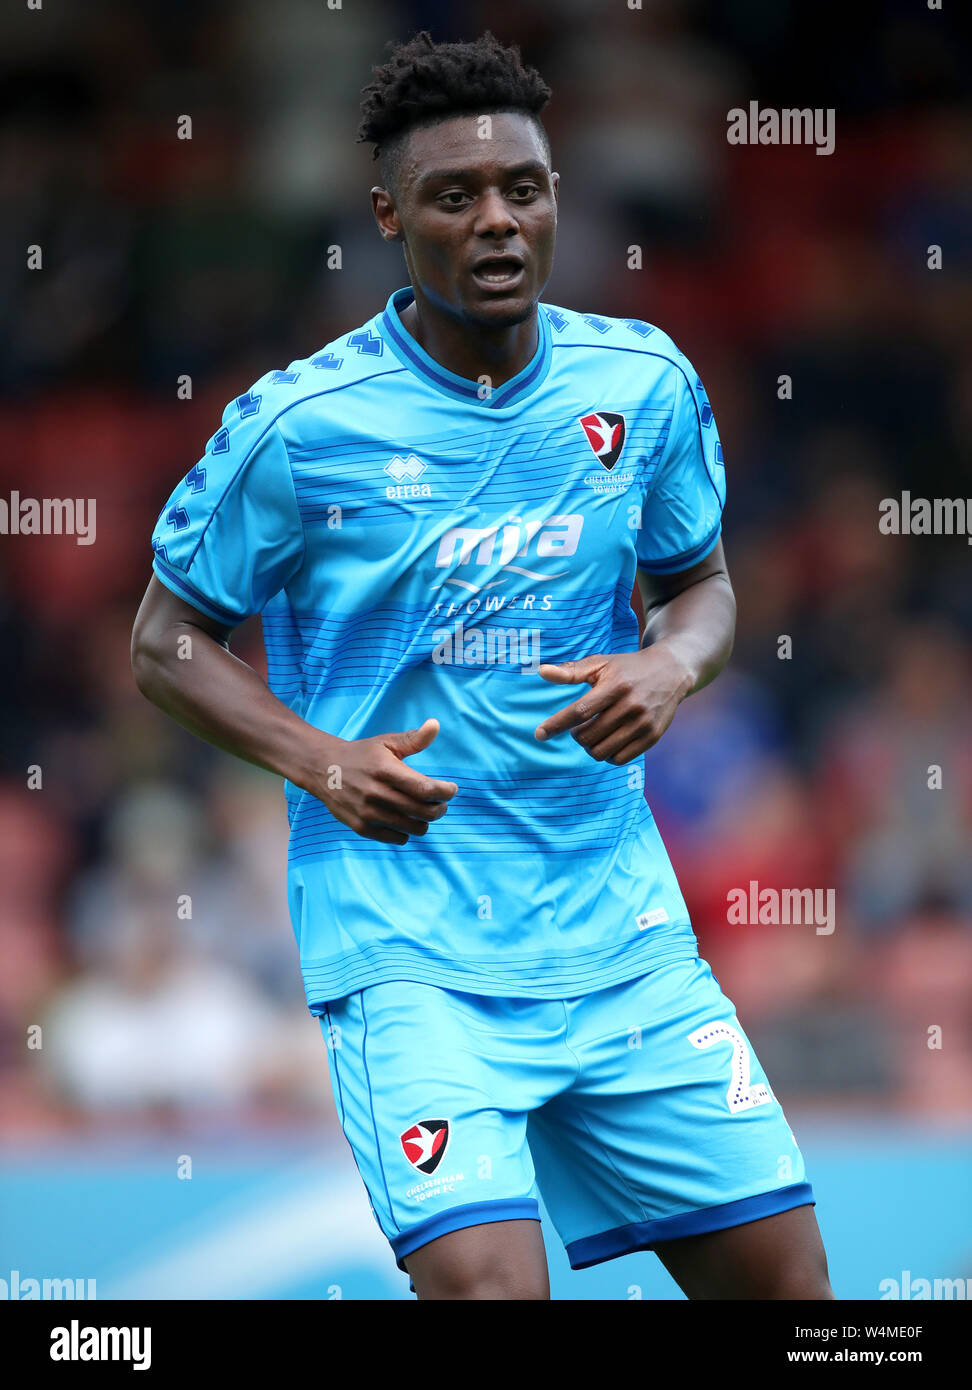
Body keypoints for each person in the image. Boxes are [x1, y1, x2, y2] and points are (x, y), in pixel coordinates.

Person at [131, 29, 832, 1300]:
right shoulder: (299, 429)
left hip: (620, 936)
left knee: (798, 1300)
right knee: (492, 1292)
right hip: (412, 958)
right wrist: (323, 761)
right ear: (391, 215)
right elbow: (163, 642)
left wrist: (673, 665)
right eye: (457, 196)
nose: (499, 220)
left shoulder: (644, 383)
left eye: (526, 187)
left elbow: (703, 588)